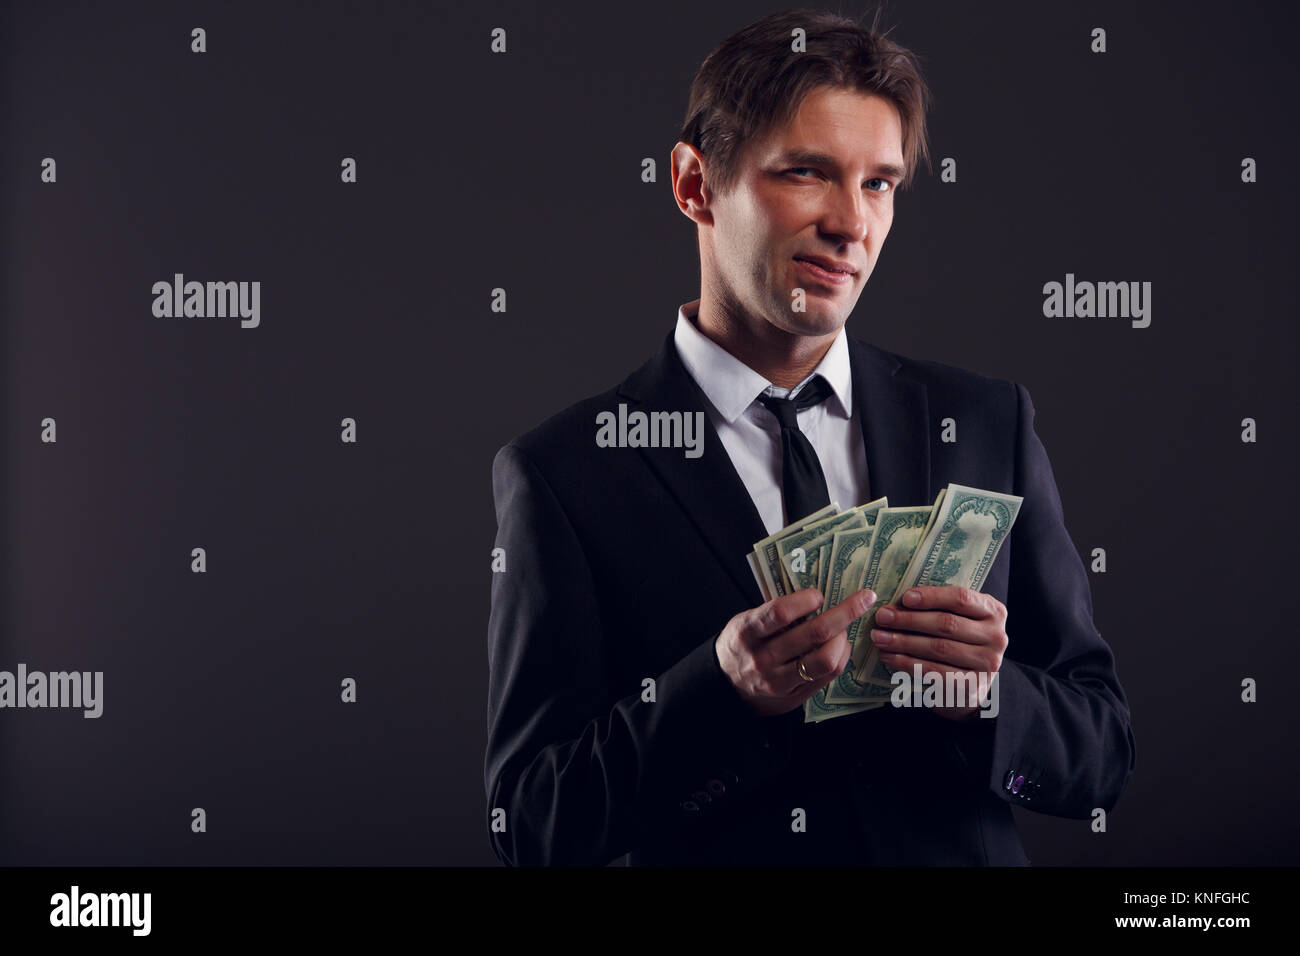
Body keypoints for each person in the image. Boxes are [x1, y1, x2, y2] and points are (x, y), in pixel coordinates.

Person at [484, 8, 1135, 866]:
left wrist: (984, 698)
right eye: (806, 173)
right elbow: (531, 826)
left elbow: (1102, 754)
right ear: (693, 184)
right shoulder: (565, 473)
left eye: (880, 184)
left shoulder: (986, 422)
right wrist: (718, 694)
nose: (852, 224)